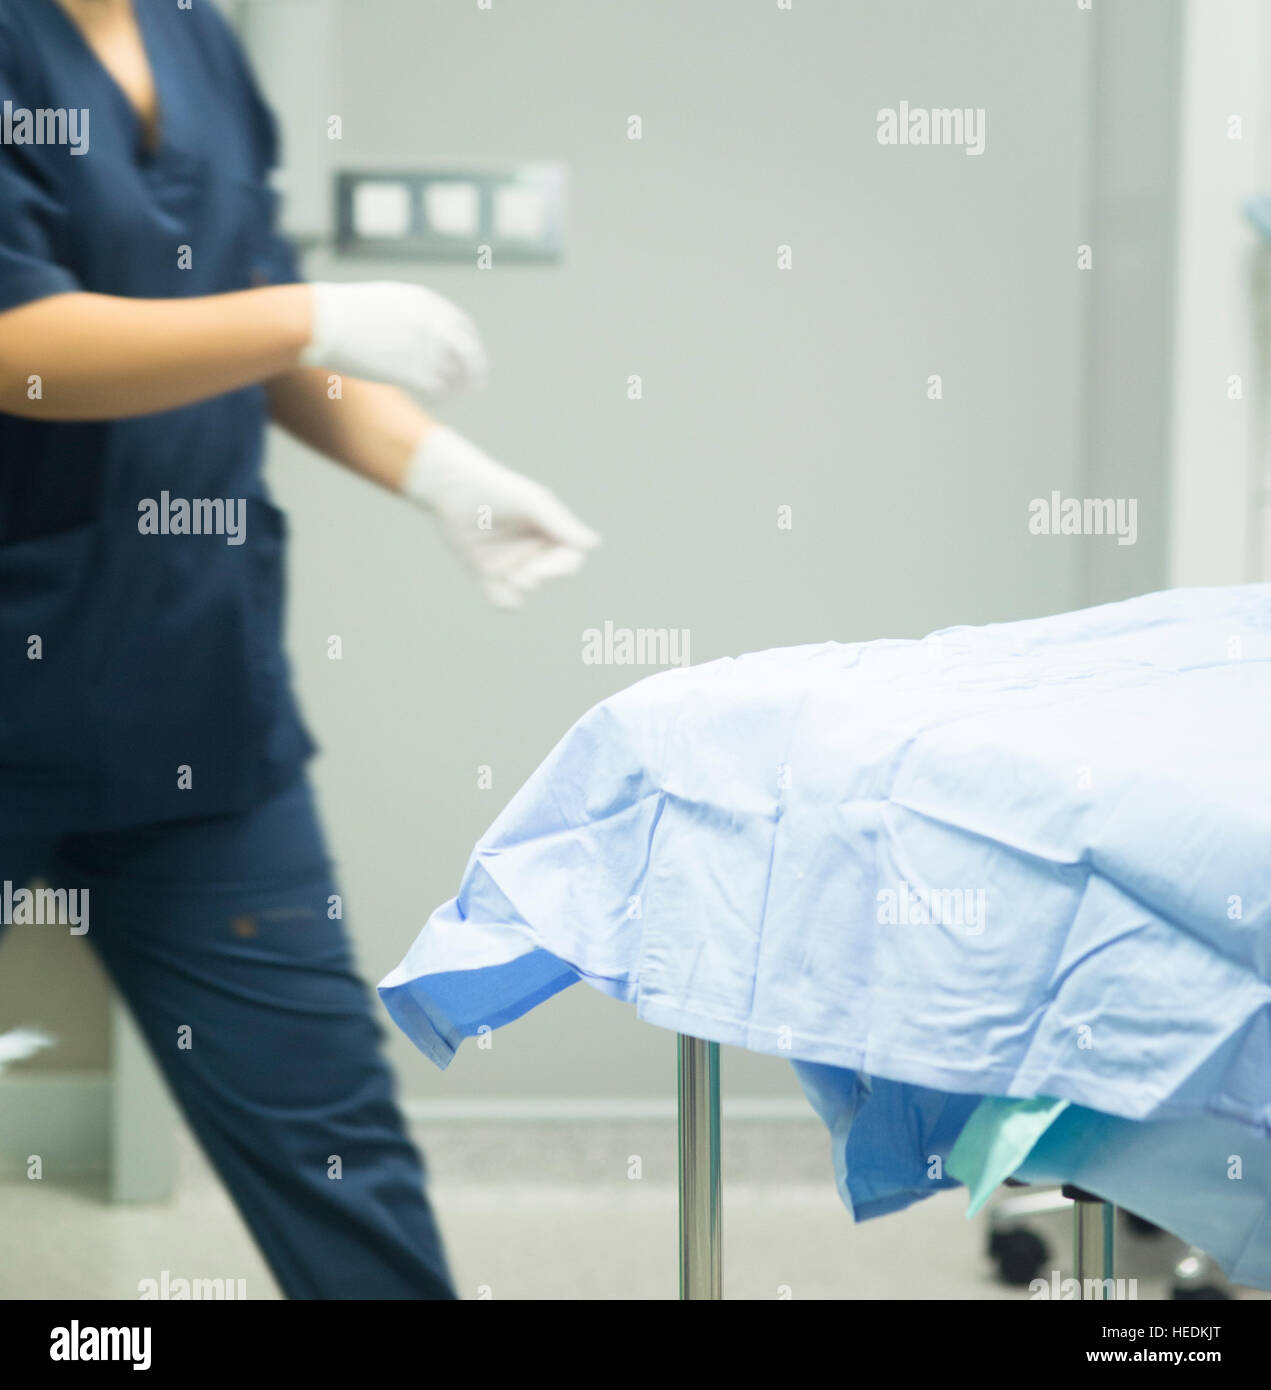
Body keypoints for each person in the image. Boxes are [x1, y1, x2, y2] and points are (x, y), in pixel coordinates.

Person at [0, 0, 597, 1299]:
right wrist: (304, 317)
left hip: (191, 704)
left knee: (336, 1147)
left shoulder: (195, 40)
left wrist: (436, 466)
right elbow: (20, 347)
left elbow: (246, 324)